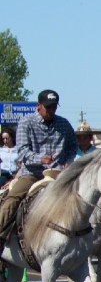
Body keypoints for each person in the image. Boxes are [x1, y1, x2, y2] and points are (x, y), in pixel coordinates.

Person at [0, 90, 77, 242]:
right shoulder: (26, 123)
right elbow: (22, 151)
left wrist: (68, 161)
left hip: (59, 174)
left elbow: (73, 146)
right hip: (32, 173)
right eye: (48, 107)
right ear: (38, 106)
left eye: (54, 107)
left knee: (83, 196)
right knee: (13, 199)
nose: (51, 110)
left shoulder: (64, 124)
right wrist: (40, 159)